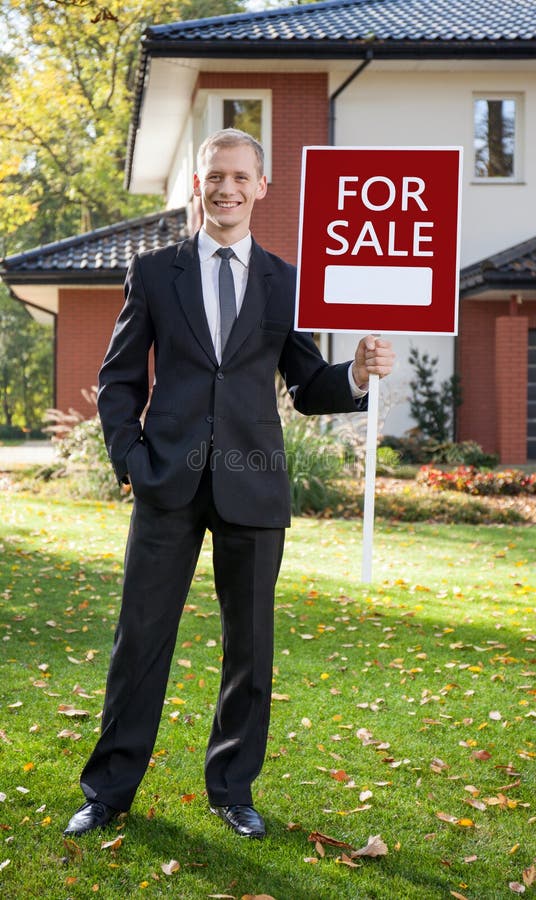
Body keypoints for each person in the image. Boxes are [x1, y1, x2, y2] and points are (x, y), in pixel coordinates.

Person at [64, 128, 395, 839]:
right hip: (167, 484)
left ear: (261, 186)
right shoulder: (154, 272)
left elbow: (307, 383)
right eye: (215, 176)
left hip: (254, 484)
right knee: (139, 640)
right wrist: (132, 459)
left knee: (250, 648)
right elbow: (119, 381)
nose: (227, 189)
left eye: (241, 177)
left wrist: (358, 376)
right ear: (197, 184)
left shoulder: (285, 279)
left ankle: (233, 788)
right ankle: (109, 792)